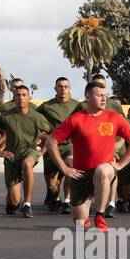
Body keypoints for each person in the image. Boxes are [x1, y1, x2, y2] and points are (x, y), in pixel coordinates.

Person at [46, 80, 130, 230]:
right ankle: (85, 213)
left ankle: (100, 215)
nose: (103, 99)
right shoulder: (75, 119)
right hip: (81, 174)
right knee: (80, 225)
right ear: (87, 97)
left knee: (103, 171)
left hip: (105, 168)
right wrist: (64, 168)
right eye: (99, 95)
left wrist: (120, 164)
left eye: (105, 95)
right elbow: (51, 141)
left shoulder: (114, 117)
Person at [0, 84, 51, 217]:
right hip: (11, 156)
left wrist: (41, 152)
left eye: (24, 95)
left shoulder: (37, 117)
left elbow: (52, 135)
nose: (21, 98)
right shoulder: (6, 116)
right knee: (14, 200)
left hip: (29, 152)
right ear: (13, 98)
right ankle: (12, 202)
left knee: (27, 164)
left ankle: (27, 205)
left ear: (29, 98)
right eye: (18, 95)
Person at [38, 77, 83, 212]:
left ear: (69, 88)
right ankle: (55, 198)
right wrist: (42, 136)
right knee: (52, 185)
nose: (63, 89)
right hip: (52, 146)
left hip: (70, 145)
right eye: (60, 86)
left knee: (71, 165)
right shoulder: (46, 106)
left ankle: (68, 200)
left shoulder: (77, 106)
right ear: (55, 89)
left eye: (65, 86)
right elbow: (33, 121)